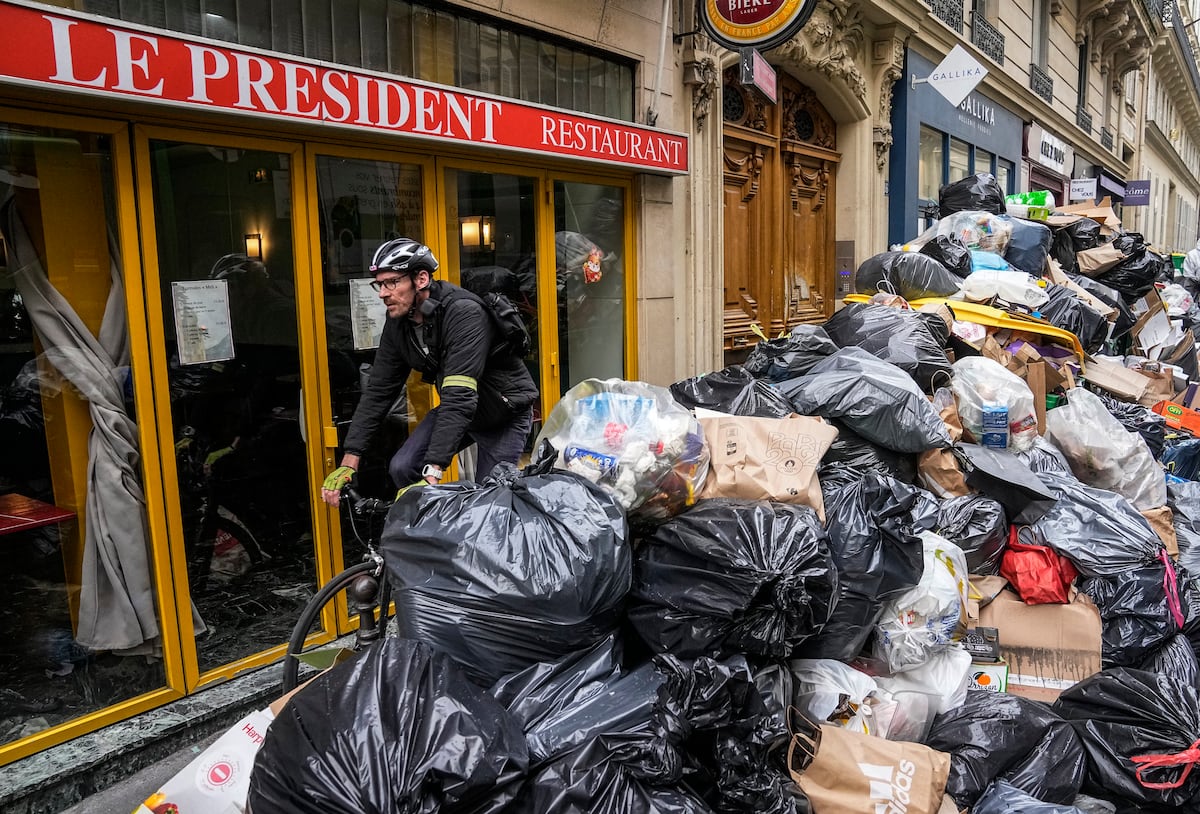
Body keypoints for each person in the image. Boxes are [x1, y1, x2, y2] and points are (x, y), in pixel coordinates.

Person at [320, 238, 538, 506]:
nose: (382, 293)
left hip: (504, 413)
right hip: (460, 412)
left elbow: (459, 396)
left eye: (392, 282)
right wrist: (350, 460)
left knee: (490, 501)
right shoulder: (399, 322)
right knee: (403, 468)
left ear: (421, 279)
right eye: (379, 284)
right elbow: (378, 392)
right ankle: (436, 537)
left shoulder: (464, 313)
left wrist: (434, 472)